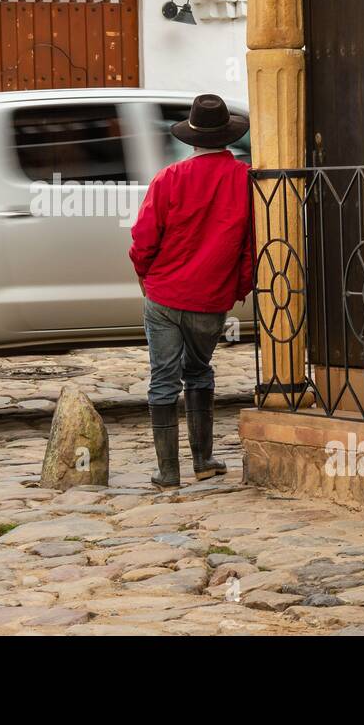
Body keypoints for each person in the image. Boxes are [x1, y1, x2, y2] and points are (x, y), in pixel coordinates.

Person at [129, 94, 254, 489]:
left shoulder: (168, 179)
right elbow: (252, 246)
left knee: (162, 378)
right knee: (198, 372)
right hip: (211, 299)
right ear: (228, 136)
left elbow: (143, 239)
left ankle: (168, 471)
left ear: (191, 137)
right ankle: (203, 460)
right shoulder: (246, 179)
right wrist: (237, 288)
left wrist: (145, 276)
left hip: (164, 296)